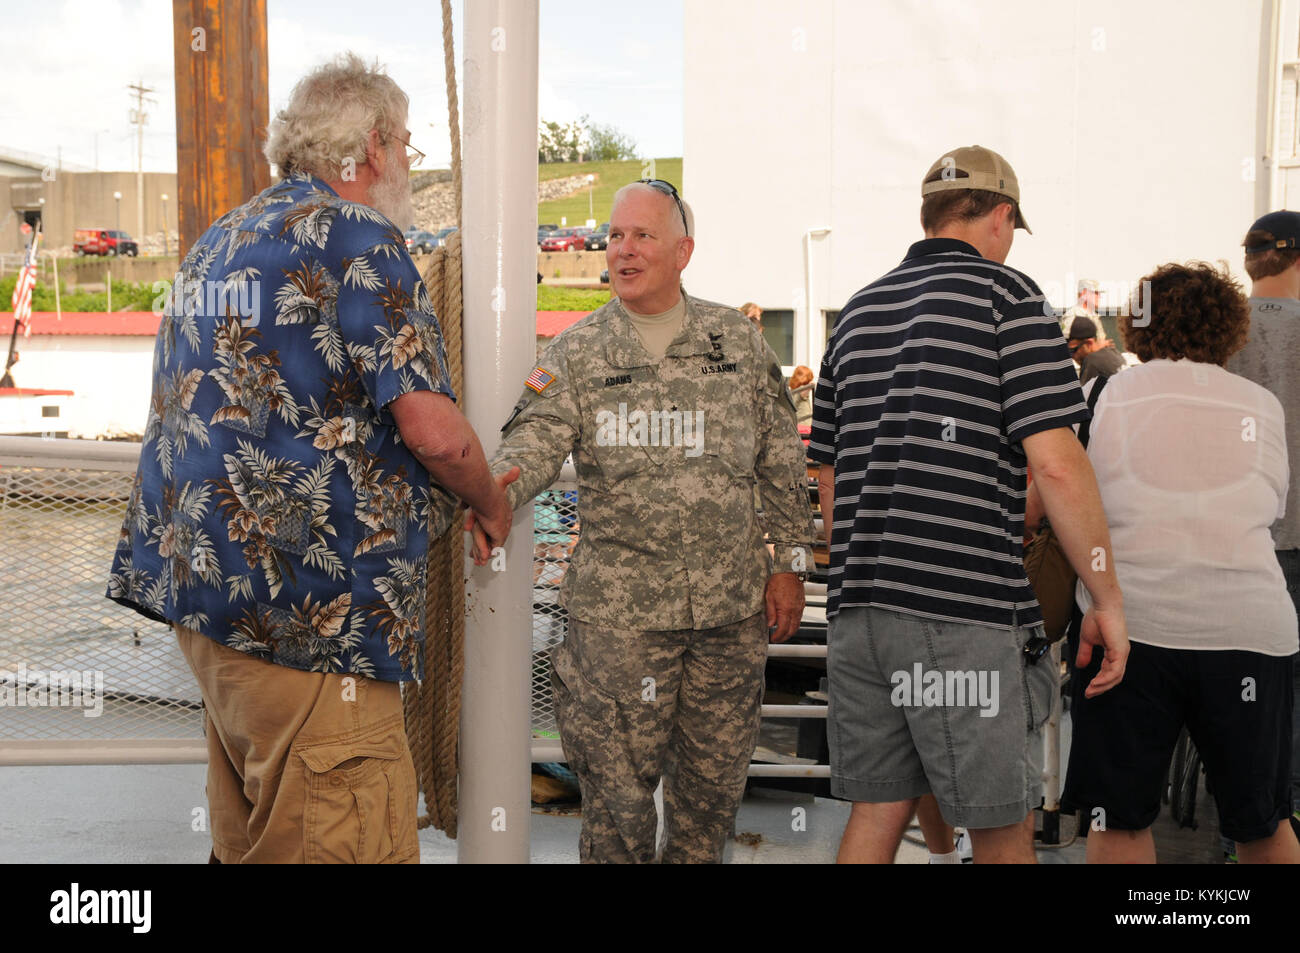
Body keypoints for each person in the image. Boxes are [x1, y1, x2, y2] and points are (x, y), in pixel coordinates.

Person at [106, 53, 513, 864]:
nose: (408, 164)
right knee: (343, 837)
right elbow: (436, 433)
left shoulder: (218, 239)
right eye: (405, 144)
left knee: (250, 842)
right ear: (371, 146)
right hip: (315, 632)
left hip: (210, 613)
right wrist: (490, 501)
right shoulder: (361, 239)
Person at [475, 179, 814, 863]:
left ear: (682, 251)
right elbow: (532, 443)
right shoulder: (577, 352)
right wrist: (496, 489)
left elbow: (782, 463)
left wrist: (790, 567)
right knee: (616, 812)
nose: (622, 251)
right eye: (614, 237)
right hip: (619, 629)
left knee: (708, 808)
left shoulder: (737, 342)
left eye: (642, 236)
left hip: (728, 620)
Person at [809, 144, 1128, 864]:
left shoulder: (858, 310)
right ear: (1001, 216)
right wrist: (1105, 597)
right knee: (1001, 825)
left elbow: (828, 471)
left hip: (860, 608)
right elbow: (1057, 463)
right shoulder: (1009, 298)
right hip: (964, 612)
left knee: (877, 810)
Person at [1062, 261, 1300, 863]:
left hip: (1129, 628)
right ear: (1229, 326)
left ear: (1139, 325)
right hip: (1250, 630)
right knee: (1263, 824)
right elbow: (1272, 508)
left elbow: (1075, 497)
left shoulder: (1107, 393)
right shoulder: (1261, 405)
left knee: (1117, 819)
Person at [1226, 209, 1300, 846]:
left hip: (1230, 540)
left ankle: (1245, 833)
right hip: (1295, 538)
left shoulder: (1218, 331)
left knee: (1240, 695)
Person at [1066, 314, 1125, 385]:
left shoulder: (1092, 362)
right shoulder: (1113, 352)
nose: (1071, 356)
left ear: (1089, 343)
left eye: (1072, 350)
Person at [788, 364, 814, 429]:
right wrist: (810, 386)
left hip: (797, 424)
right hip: (804, 424)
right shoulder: (802, 389)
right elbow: (803, 393)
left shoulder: (792, 391)